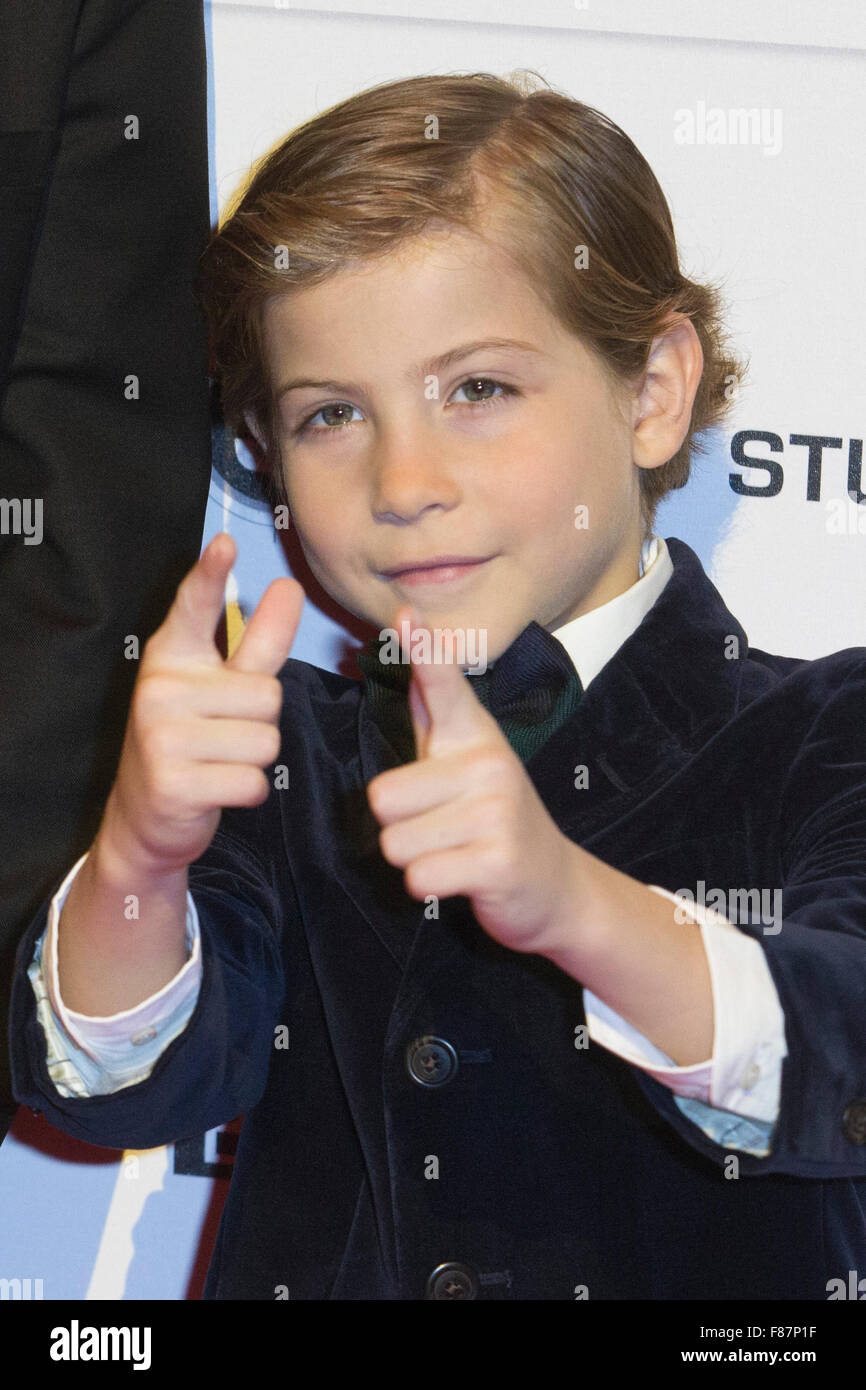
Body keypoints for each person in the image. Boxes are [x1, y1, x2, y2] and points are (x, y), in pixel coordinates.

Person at [8, 71, 866, 1300]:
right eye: (328, 415)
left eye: (477, 389)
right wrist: (139, 861)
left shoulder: (819, 729)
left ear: (651, 390)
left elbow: (837, 1055)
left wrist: (570, 901)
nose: (402, 478)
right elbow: (136, 1084)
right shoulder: (278, 755)